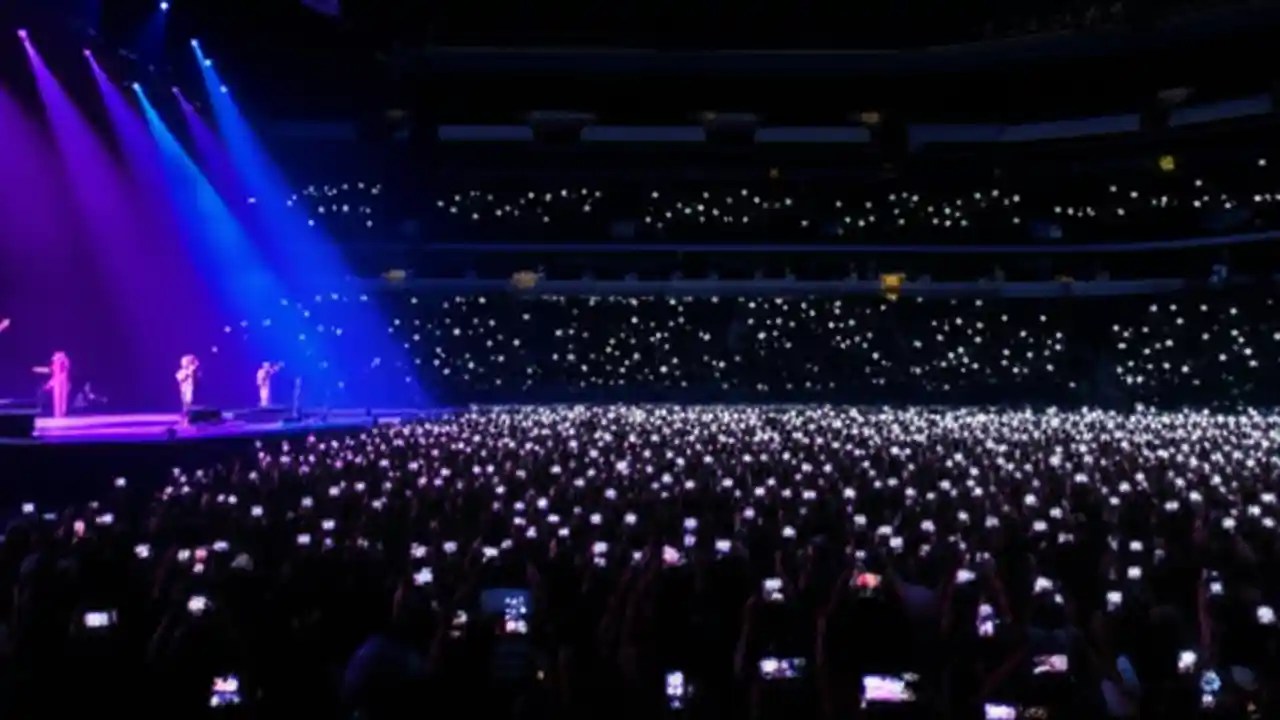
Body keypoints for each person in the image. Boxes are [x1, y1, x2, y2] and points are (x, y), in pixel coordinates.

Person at [32, 351, 71, 418]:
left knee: (60, 399)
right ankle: (59, 415)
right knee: (59, 400)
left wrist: (50, 383)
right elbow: (52, 371)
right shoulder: (61, 364)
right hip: (59, 382)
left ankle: (60, 415)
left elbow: (53, 373)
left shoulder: (62, 363)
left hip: (60, 383)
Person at [175, 354, 199, 422]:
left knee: (189, 401)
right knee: (185, 402)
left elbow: (196, 365)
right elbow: (181, 379)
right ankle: (184, 415)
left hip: (190, 388)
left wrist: (194, 365)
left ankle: (187, 415)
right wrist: (188, 373)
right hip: (184, 389)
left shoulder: (192, 371)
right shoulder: (181, 372)